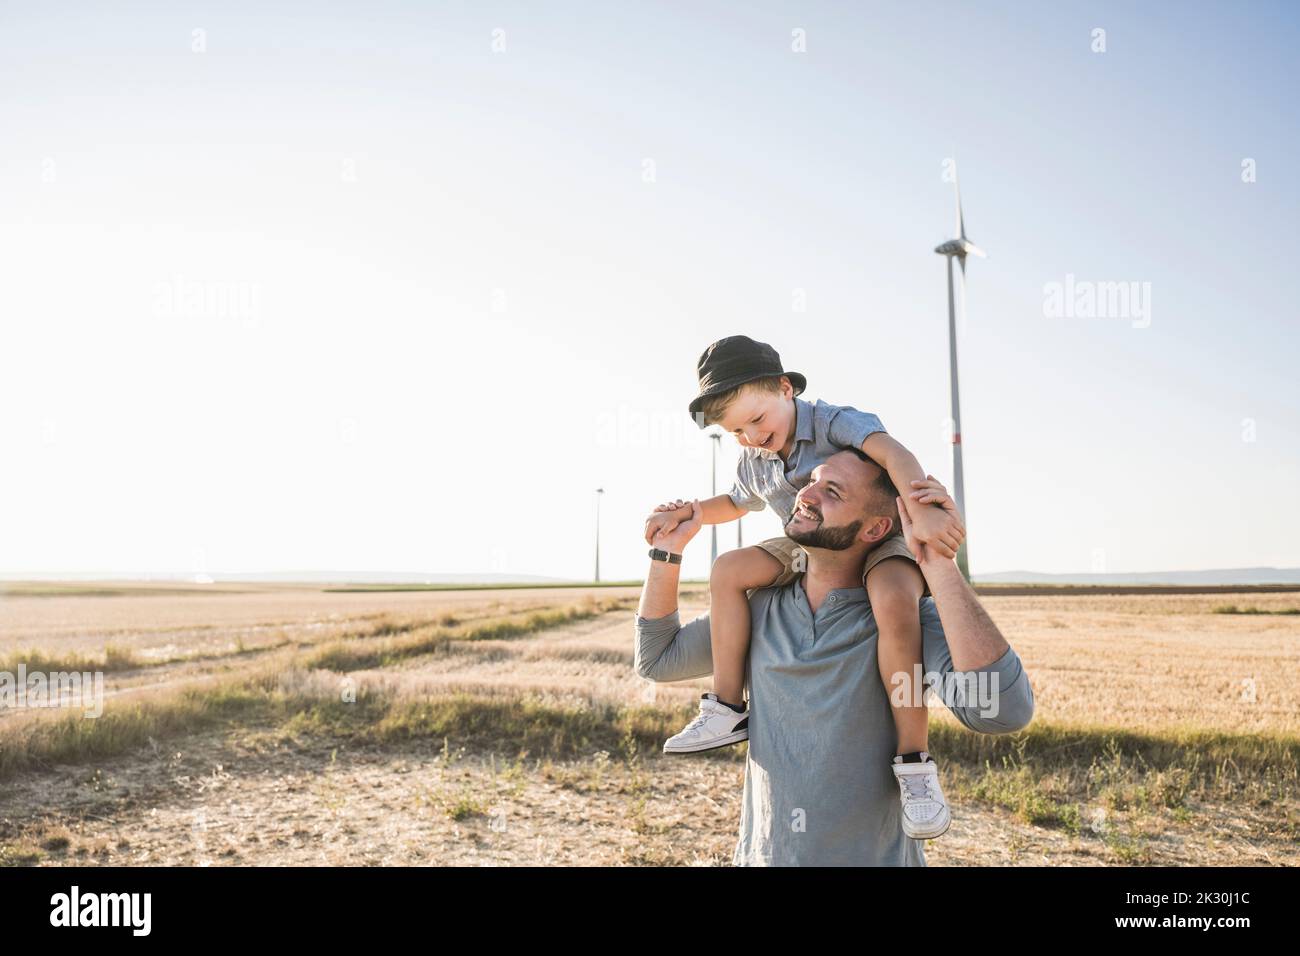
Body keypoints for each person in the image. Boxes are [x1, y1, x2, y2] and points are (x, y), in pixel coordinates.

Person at [635, 449, 1035, 865]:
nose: (806, 494)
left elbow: (1004, 712)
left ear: (876, 527)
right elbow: (658, 660)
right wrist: (667, 552)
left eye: (833, 491)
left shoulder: (906, 618)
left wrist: (938, 563)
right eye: (813, 480)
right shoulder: (758, 606)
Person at [644, 335, 964, 839]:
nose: (750, 436)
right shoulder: (754, 461)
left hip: (879, 541)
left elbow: (894, 452)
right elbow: (737, 501)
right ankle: (727, 706)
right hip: (807, 548)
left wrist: (920, 507)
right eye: (736, 431)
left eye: (757, 420)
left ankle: (914, 761)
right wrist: (694, 513)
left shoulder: (834, 422)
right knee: (728, 568)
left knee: (892, 602)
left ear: (786, 388)